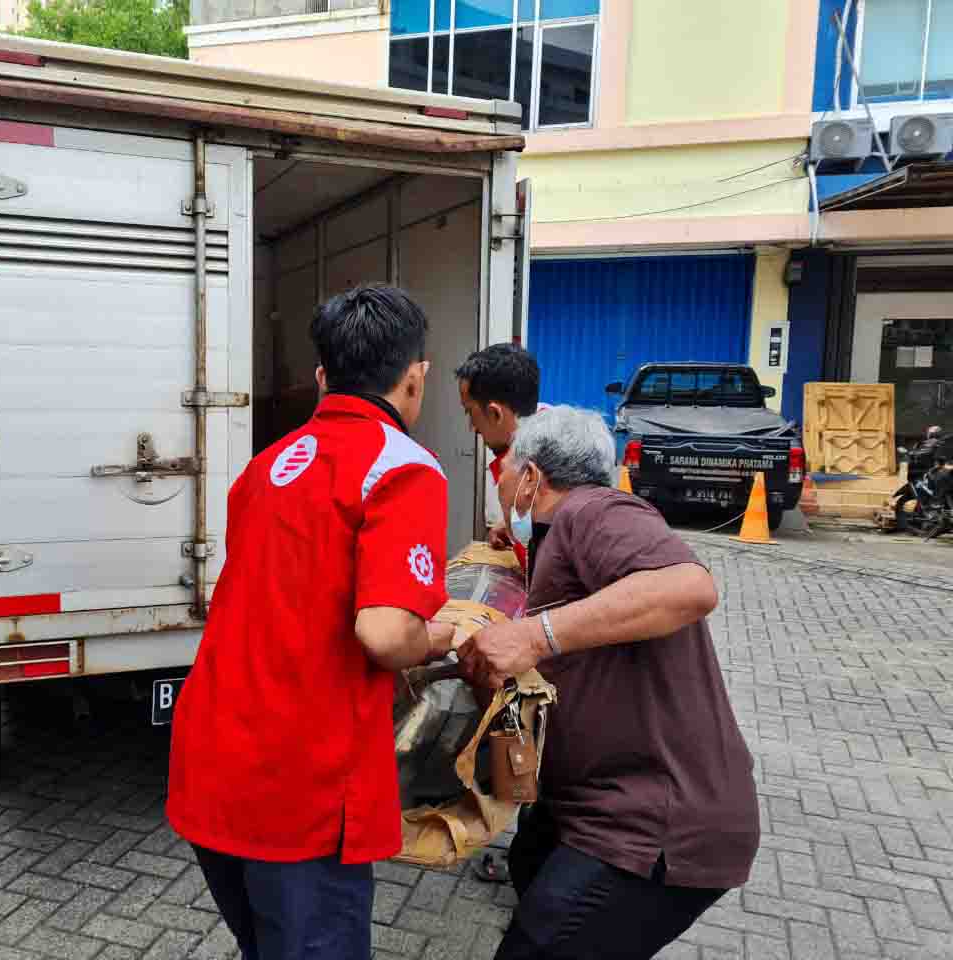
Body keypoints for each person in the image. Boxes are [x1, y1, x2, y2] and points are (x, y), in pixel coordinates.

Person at [167, 284, 457, 960]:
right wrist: (438, 636)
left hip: (213, 764)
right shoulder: (402, 467)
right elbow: (386, 634)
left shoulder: (265, 467)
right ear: (417, 376)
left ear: (323, 377)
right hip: (301, 787)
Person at [460, 405, 759, 960]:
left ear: (531, 479)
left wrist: (535, 634)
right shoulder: (563, 534)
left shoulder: (596, 510)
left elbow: (690, 588)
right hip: (585, 804)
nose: (495, 479)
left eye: (501, 470)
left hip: (650, 826)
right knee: (530, 863)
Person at [455, 343, 541, 570]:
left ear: (495, 413)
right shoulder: (540, 439)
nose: (472, 427)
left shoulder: (539, 470)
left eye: (470, 412)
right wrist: (513, 526)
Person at [893, 425, 944, 532]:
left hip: (923, 472)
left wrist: (910, 453)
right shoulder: (940, 444)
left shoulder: (932, 442)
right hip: (932, 472)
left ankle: (935, 506)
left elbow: (924, 452)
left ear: (930, 433)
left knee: (933, 493)